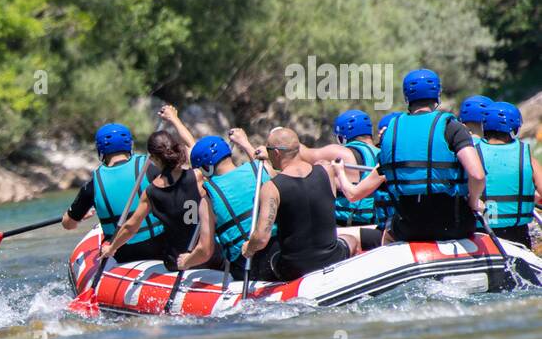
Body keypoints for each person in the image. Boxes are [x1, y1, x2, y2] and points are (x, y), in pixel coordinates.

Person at [332, 68, 486, 243]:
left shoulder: (391, 133)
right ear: (437, 95)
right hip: (453, 224)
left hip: (409, 227)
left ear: (407, 98)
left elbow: (353, 195)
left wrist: (339, 172)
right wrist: (474, 202)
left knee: (387, 235)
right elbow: (477, 175)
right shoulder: (452, 127)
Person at [244, 128, 360, 280]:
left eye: (269, 149)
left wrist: (248, 248)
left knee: (268, 256)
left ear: (276, 153)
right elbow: (301, 178)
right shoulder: (326, 170)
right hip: (332, 258)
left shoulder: (271, 188)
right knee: (351, 240)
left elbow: (261, 239)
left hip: (294, 269)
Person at [62, 121, 170, 262]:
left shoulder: (93, 184)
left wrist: (80, 217)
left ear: (100, 150)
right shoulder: (149, 166)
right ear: (129, 144)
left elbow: (68, 224)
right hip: (160, 245)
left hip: (124, 253)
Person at [97, 129, 205, 270]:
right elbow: (194, 147)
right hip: (207, 254)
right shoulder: (198, 176)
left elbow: (131, 227)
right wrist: (174, 119)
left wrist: (111, 248)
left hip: (177, 260)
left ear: (153, 159)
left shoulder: (151, 192)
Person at [178, 134, 278, 278]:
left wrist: (186, 261)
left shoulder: (209, 196)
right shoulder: (262, 168)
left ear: (206, 168)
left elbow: (205, 251)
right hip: (280, 250)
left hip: (248, 264)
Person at [476, 102, 542, 246]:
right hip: (517, 233)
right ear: (515, 128)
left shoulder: (474, 152)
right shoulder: (525, 153)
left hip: (482, 232)